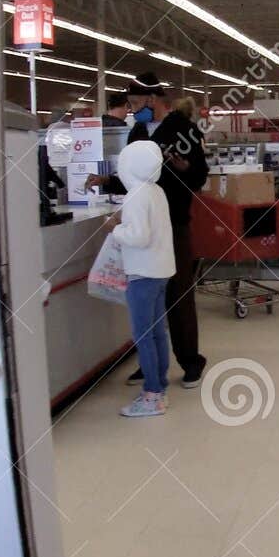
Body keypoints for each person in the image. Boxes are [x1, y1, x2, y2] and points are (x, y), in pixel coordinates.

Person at [88, 73, 210, 388]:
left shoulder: (184, 128)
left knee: (178, 293)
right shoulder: (139, 131)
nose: (131, 109)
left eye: (135, 103)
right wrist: (106, 181)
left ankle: (190, 361)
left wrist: (185, 168)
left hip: (174, 224)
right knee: (149, 298)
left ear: (152, 100)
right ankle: (150, 364)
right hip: (143, 220)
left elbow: (200, 176)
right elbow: (132, 176)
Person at [109, 140, 175, 418]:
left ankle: (151, 395)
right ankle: (160, 386)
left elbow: (138, 236)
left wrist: (115, 229)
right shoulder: (156, 191)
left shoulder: (135, 194)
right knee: (158, 332)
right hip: (161, 271)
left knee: (143, 334)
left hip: (142, 274)